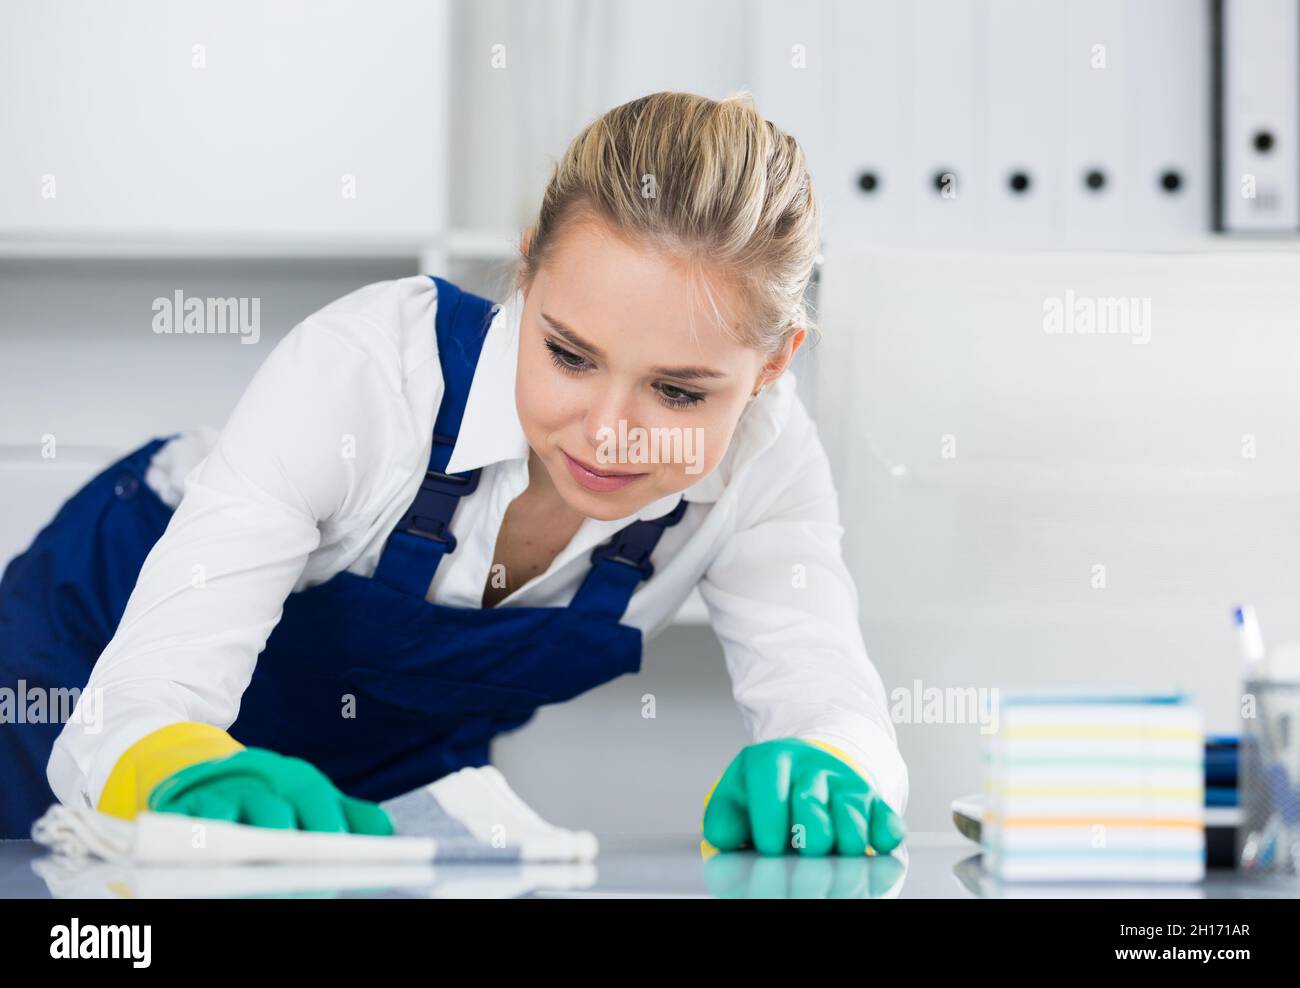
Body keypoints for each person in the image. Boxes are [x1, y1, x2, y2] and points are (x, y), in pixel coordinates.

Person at [0, 90, 907, 856]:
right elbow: (141, 698)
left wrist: (831, 764)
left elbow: (830, 697)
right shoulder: (365, 374)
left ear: (774, 365)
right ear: (525, 275)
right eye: (568, 354)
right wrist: (171, 766)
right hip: (93, 650)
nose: (607, 435)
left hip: (386, 765)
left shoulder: (765, 458)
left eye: (676, 392)